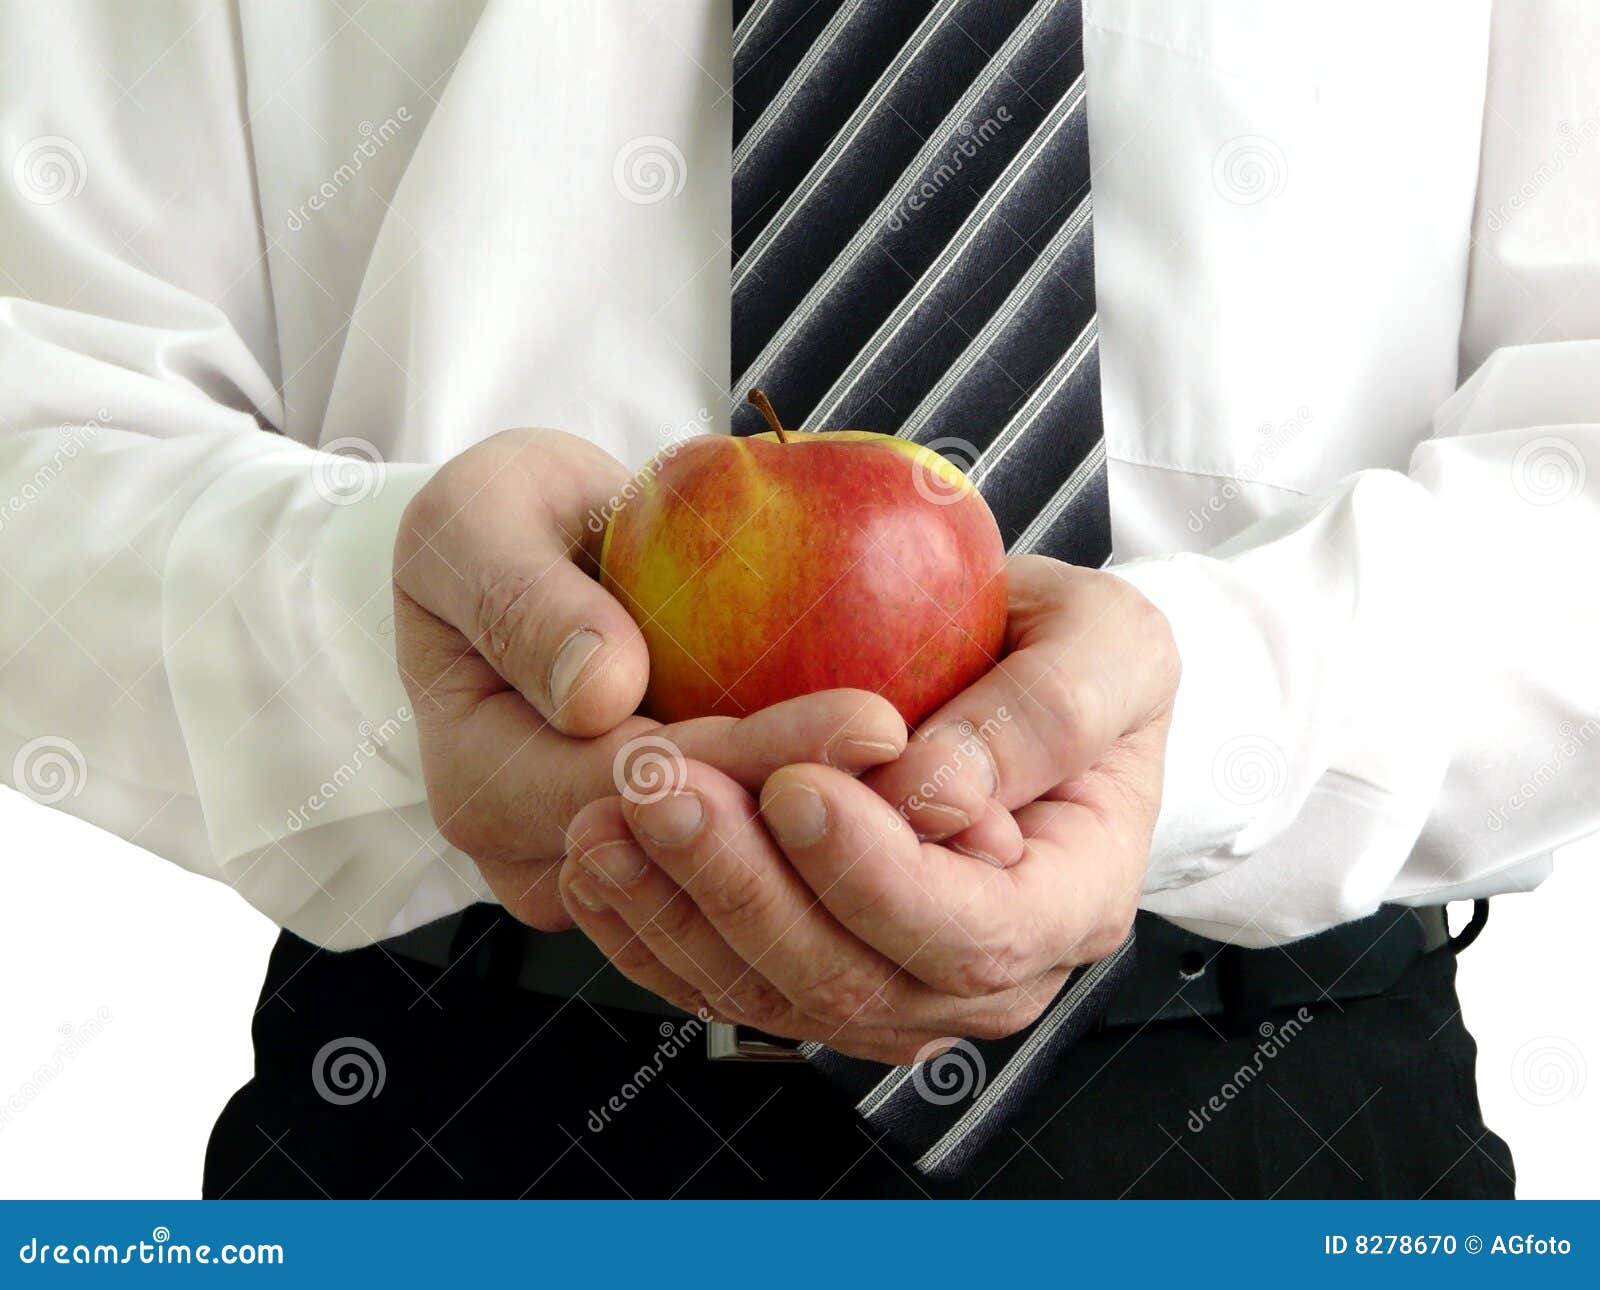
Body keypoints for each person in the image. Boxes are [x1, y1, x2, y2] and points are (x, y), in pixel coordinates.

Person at [1, 0, 1594, 1197]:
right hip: (452, 1095)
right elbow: (35, 397)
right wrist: (389, 640)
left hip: (1279, 1111)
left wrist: (1220, 711)